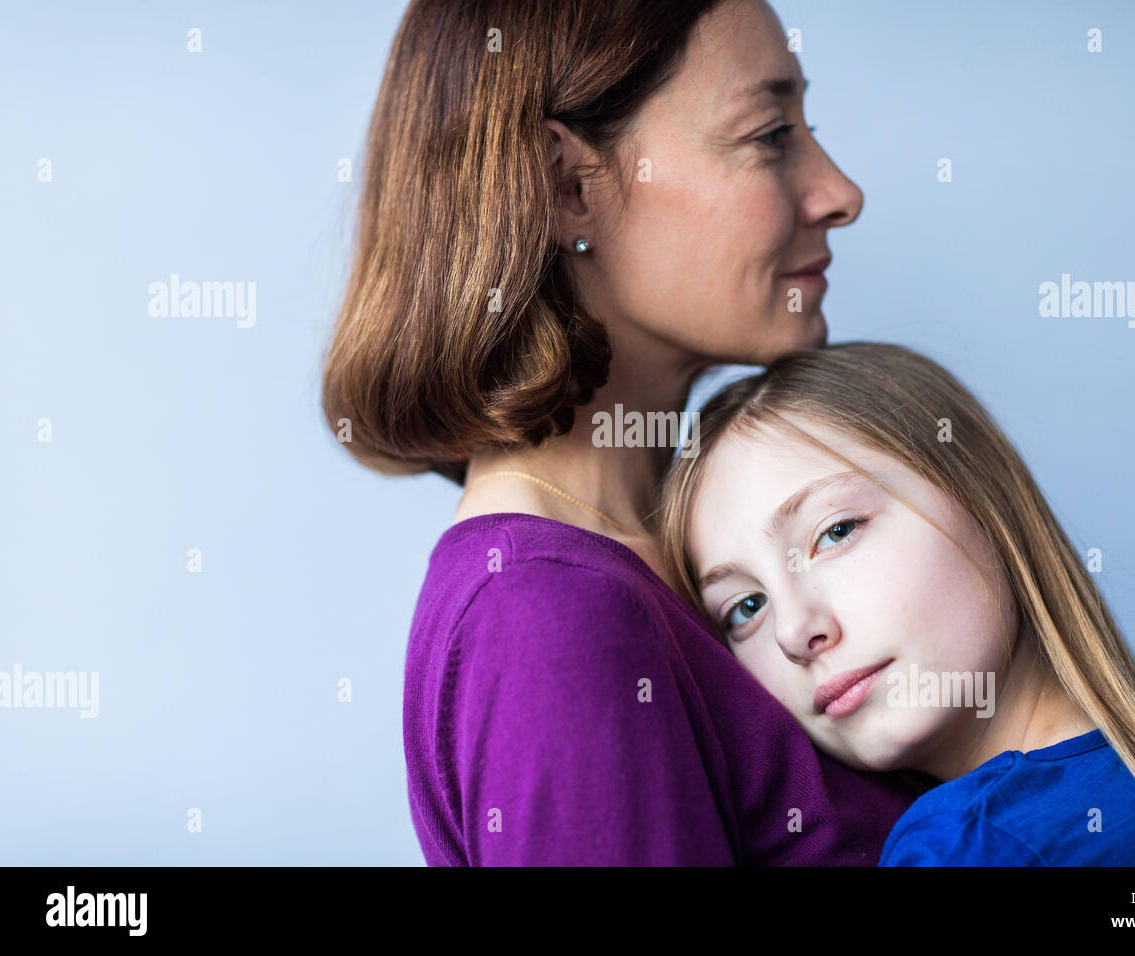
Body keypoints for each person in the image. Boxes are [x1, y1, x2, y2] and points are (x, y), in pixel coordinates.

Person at [321, 0, 925, 864]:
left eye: (808, 126)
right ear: (568, 188)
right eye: (768, 134)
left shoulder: (678, 568)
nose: (839, 193)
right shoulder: (548, 620)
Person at [659, 341, 1135, 865]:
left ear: (982, 501)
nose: (794, 630)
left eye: (835, 532)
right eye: (745, 606)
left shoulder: (967, 845)